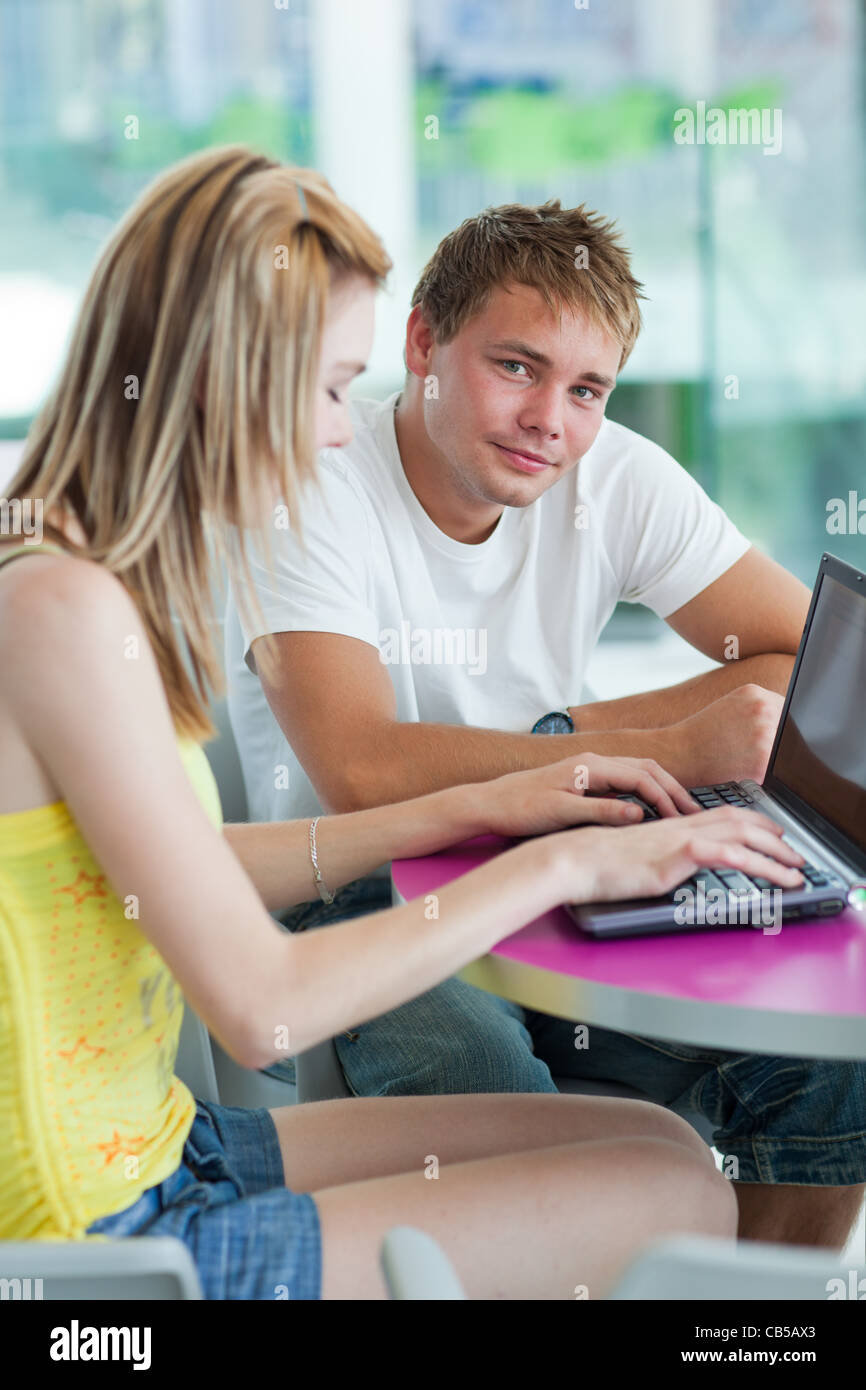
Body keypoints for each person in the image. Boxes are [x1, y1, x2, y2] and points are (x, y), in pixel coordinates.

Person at [0, 145, 811, 1300]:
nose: (341, 431)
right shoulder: (58, 609)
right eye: (329, 385)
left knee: (663, 1153)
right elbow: (263, 1004)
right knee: (670, 1197)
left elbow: (178, 868)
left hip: (170, 1151)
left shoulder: (83, 582)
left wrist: (481, 799)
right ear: (219, 370)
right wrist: (572, 854)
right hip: (100, 1234)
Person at [223, 196, 866, 1252]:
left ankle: (732, 1328)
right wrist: (651, 749)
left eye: (586, 390)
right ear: (423, 339)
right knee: (488, 1089)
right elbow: (358, 765)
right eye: (514, 367)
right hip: (352, 886)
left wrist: (575, 727)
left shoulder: (610, 474)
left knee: (831, 1063)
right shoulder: (313, 486)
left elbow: (800, 653)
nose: (550, 423)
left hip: (561, 855)